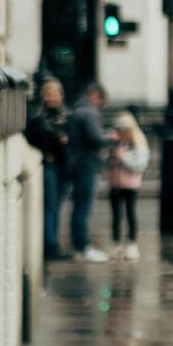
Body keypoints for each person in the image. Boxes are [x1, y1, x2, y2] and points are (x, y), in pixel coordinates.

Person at [25, 75, 70, 260]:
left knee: (58, 205)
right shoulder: (37, 117)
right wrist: (58, 140)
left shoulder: (67, 116)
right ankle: (50, 244)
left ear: (61, 95)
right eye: (48, 93)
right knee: (50, 206)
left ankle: (53, 241)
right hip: (49, 166)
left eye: (54, 93)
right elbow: (35, 140)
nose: (51, 97)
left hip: (63, 166)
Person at [65, 83, 109, 260]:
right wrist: (110, 137)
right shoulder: (89, 112)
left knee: (78, 207)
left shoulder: (76, 109)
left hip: (76, 162)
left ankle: (78, 246)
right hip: (87, 164)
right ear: (95, 96)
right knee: (84, 207)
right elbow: (96, 137)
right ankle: (83, 247)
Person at [105, 110, 150, 259]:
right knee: (116, 216)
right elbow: (105, 162)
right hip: (115, 184)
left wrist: (122, 157)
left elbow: (139, 165)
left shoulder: (138, 143)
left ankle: (132, 245)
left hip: (130, 185)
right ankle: (116, 244)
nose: (122, 133)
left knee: (130, 214)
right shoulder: (115, 143)